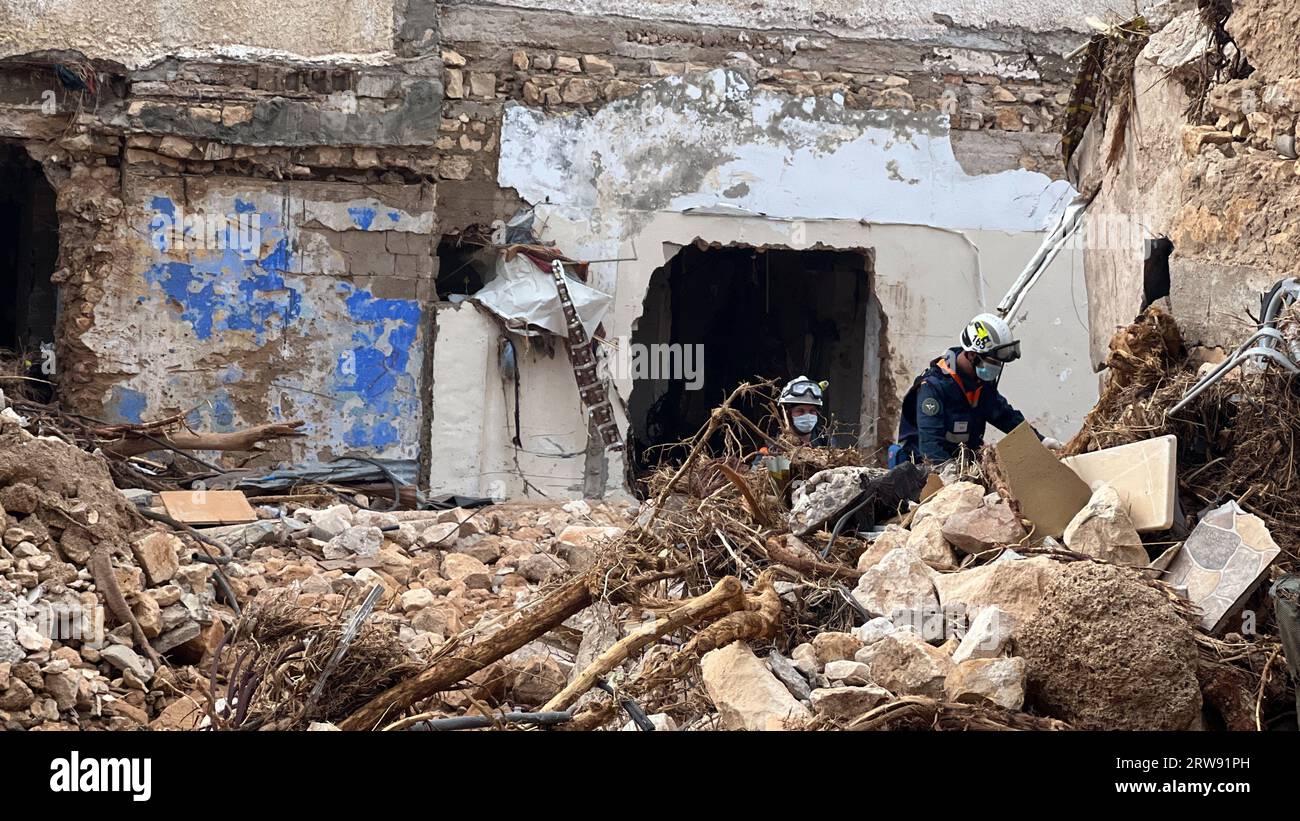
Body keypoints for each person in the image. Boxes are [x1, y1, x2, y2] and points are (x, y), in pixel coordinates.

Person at [892, 313, 1060, 466]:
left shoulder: (981, 385)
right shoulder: (933, 388)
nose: (997, 367)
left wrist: (1040, 441)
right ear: (972, 355)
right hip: (924, 474)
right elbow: (930, 446)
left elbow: (1006, 417)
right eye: (993, 361)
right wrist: (951, 476)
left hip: (964, 467)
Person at [777, 375, 830, 446]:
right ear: (786, 413)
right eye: (800, 411)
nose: (807, 416)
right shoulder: (772, 447)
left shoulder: (827, 443)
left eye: (812, 411)